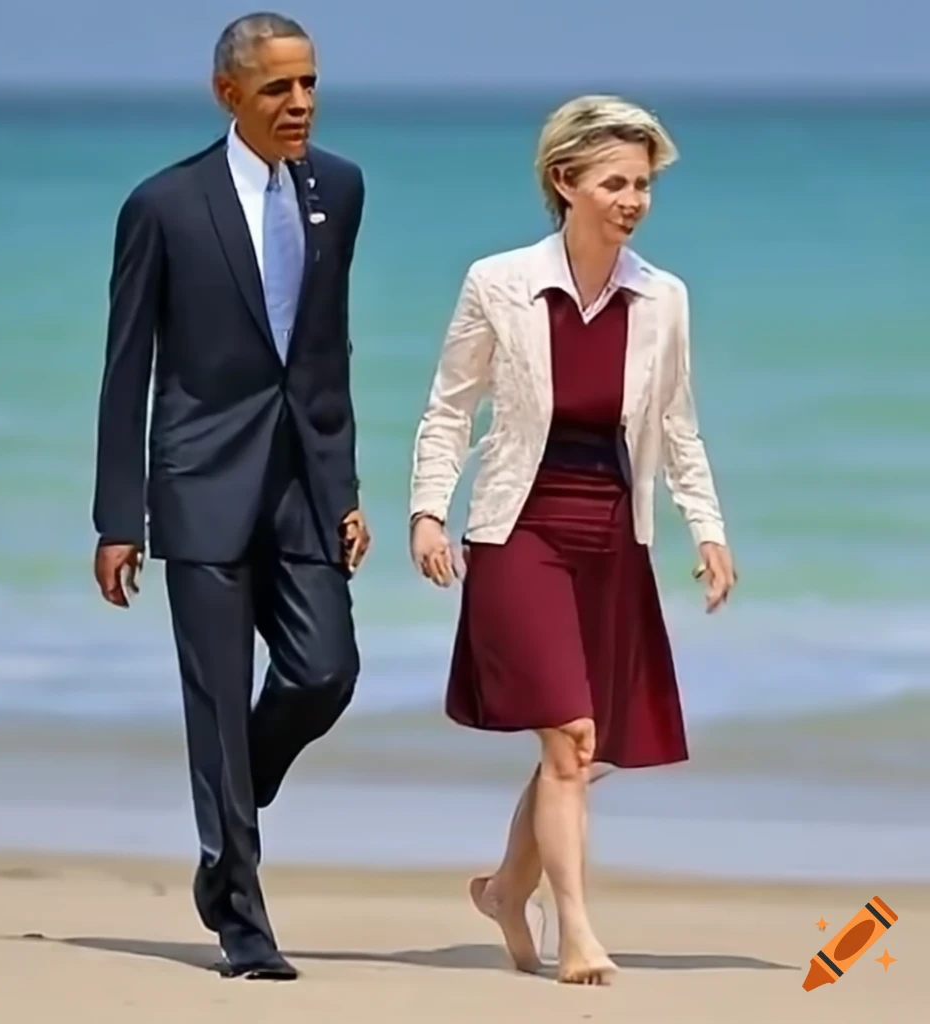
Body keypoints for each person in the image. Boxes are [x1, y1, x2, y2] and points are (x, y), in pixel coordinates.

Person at [408, 95, 736, 985]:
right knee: (571, 737)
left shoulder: (663, 298)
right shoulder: (499, 282)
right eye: (616, 182)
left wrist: (706, 528)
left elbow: (677, 425)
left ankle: (505, 890)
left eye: (643, 184)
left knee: (581, 754)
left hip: (612, 539)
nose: (634, 199)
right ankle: (578, 933)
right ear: (566, 182)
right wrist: (428, 511)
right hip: (520, 533)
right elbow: (450, 407)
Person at [91, 12, 370, 981]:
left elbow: (326, 354)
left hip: (302, 483)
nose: (298, 105)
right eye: (276, 90)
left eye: (308, 85)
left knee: (325, 671)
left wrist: (344, 485)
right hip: (200, 480)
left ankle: (228, 815)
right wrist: (118, 518)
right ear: (228, 95)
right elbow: (127, 367)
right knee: (213, 708)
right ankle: (244, 923)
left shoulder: (340, 187)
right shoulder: (163, 205)